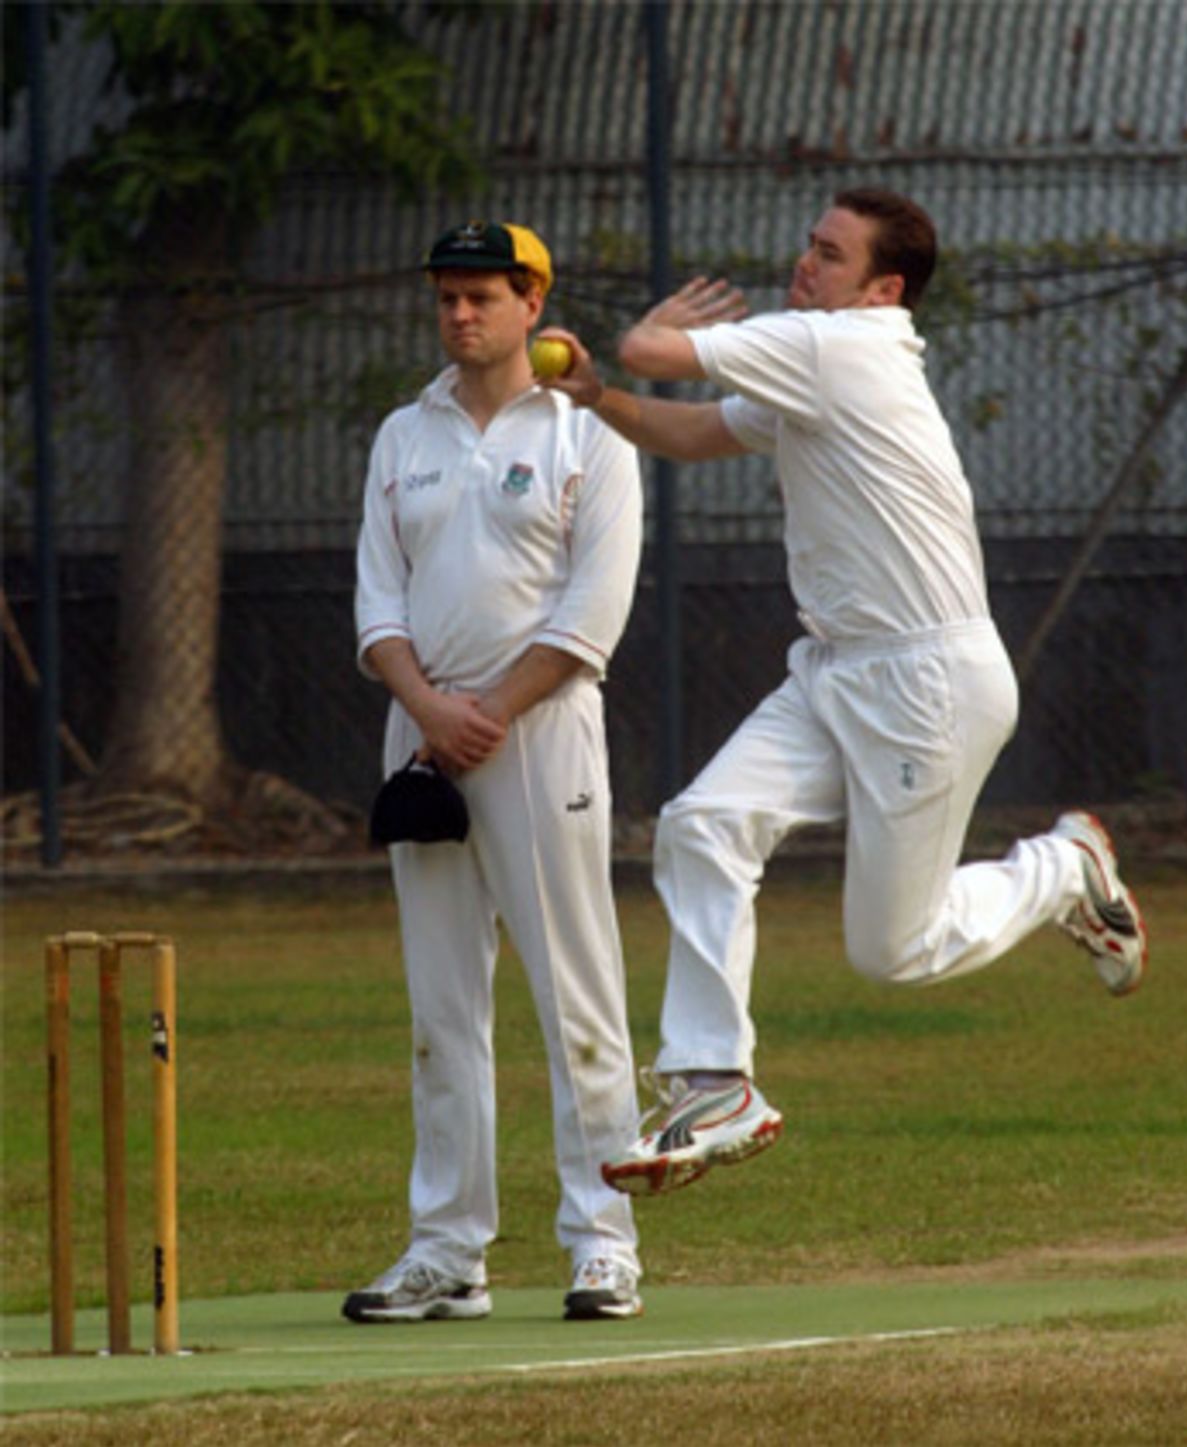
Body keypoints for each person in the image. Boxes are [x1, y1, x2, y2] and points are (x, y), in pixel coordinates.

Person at [540, 187, 1148, 1197]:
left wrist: (652, 335)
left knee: (895, 952)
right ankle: (715, 1083)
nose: (805, 263)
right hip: (835, 670)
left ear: (883, 289)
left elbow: (656, 352)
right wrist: (599, 394)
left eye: (830, 253)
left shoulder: (845, 348)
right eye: (809, 244)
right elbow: (694, 434)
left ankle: (1062, 868)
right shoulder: (814, 364)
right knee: (702, 825)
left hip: (925, 681)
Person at [347, 220, 645, 1318]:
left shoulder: (589, 434)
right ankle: (447, 1250)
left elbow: (593, 611)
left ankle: (603, 1242)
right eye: (447, 297)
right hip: (423, 735)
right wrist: (431, 710)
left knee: (576, 992)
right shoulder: (403, 433)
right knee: (440, 1007)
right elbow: (377, 601)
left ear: (533, 304)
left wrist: (491, 713)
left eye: (481, 295)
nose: (461, 314)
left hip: (541, 736)